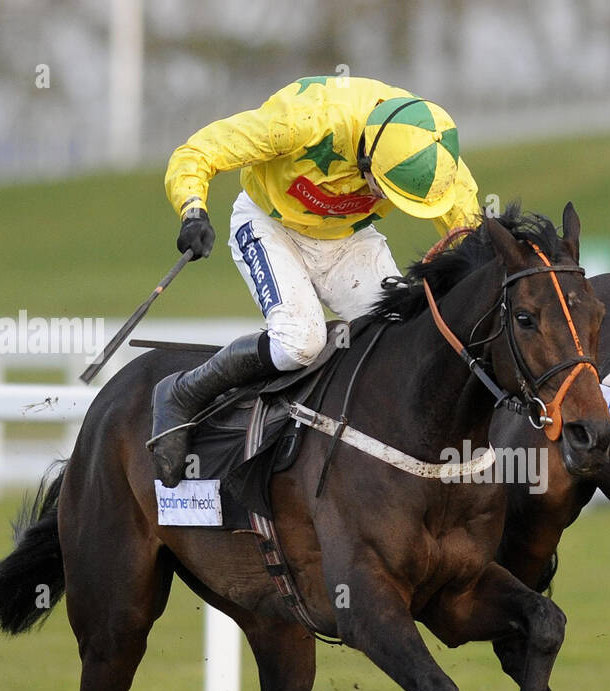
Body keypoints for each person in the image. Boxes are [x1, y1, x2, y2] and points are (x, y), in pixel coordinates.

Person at [148, 75, 483, 487]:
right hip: (270, 224)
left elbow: (471, 237)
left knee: (407, 337)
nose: (391, 204)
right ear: (366, 158)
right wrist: (193, 210)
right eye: (389, 191)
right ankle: (183, 392)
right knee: (299, 343)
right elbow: (199, 151)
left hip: (348, 239)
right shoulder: (303, 121)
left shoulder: (433, 150)